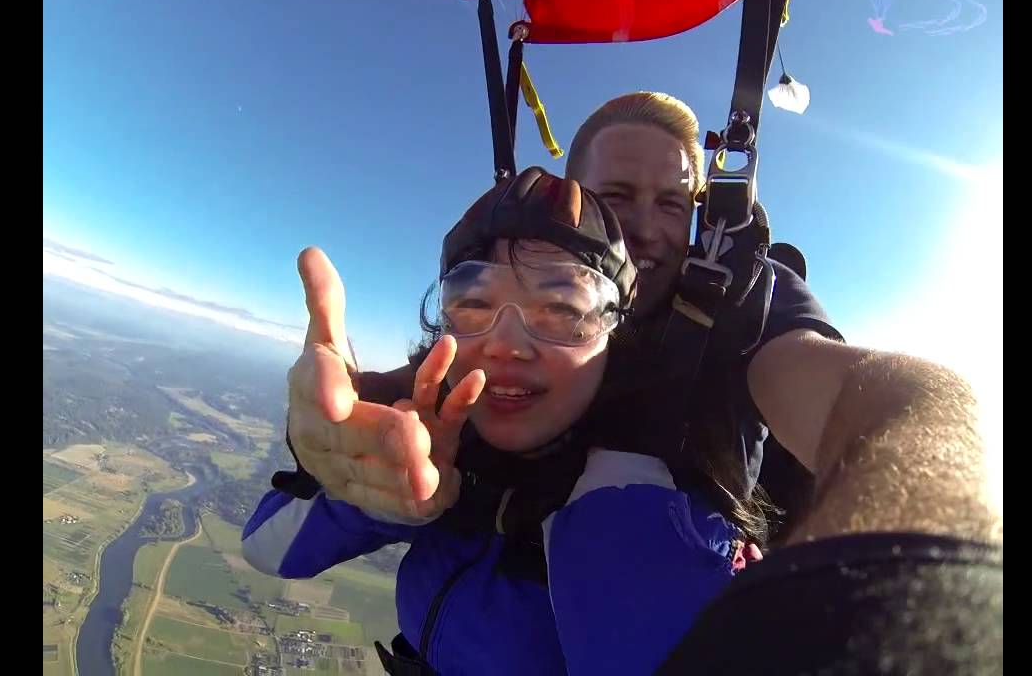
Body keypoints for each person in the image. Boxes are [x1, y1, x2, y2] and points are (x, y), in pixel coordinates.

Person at [243, 168, 765, 676]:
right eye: (473, 303)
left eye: (563, 308)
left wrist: (621, 514)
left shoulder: (651, 495)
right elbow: (266, 549)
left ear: (614, 334)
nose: (507, 345)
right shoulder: (434, 436)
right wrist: (382, 490)